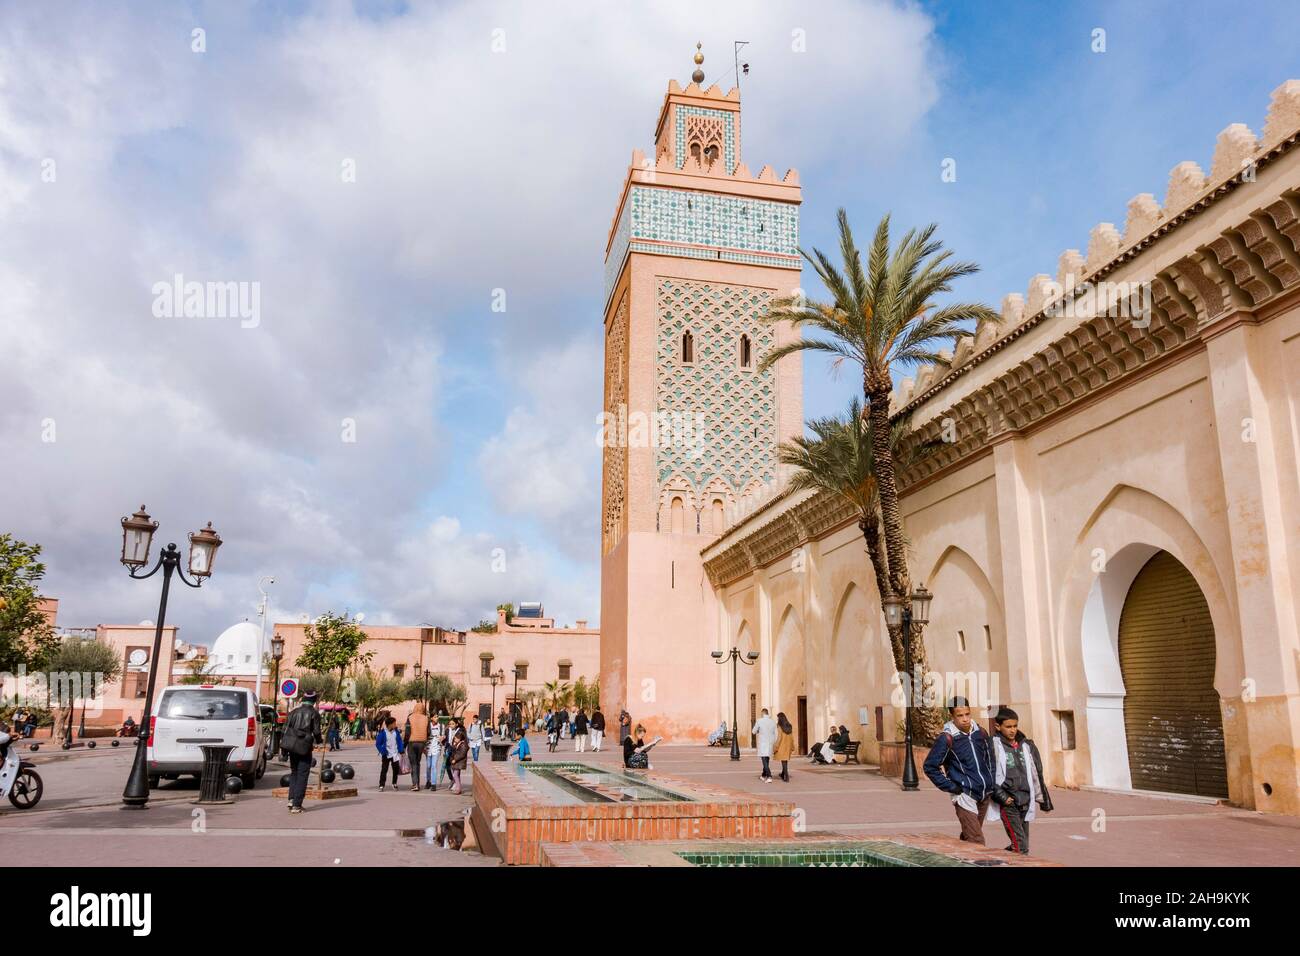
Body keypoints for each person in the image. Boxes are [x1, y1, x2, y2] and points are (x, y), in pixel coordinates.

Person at [923, 697, 996, 845]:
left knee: (969, 836)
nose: (965, 719)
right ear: (952, 716)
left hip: (984, 793)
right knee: (976, 840)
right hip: (964, 796)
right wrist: (953, 787)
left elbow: (990, 758)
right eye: (960, 715)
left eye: (967, 714)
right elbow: (930, 766)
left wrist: (991, 781)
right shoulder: (947, 738)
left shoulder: (980, 732)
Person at [990, 708, 1053, 854]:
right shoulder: (993, 745)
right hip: (1008, 802)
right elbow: (988, 774)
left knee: (1021, 845)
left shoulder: (1026, 745)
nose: (1013, 730)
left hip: (1025, 800)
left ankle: (998, 858)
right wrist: (1003, 797)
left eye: (1015, 726)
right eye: (1008, 726)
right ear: (998, 726)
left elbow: (1037, 773)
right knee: (1021, 846)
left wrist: (1043, 800)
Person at [281, 690, 322, 814]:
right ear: (314, 701)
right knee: (303, 775)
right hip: (304, 747)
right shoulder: (314, 714)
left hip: (292, 746)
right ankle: (297, 805)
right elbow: (316, 732)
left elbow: (284, 729)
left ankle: (291, 799)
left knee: (294, 772)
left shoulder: (293, 712)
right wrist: (319, 740)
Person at [404, 702, 431, 792]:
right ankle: (417, 783)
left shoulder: (410, 717)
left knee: (413, 763)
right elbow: (429, 732)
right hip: (422, 743)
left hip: (412, 742)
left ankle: (415, 784)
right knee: (417, 763)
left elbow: (407, 732)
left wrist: (404, 745)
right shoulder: (426, 718)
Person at [375, 715, 405, 792]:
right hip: (386, 754)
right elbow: (378, 743)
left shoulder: (396, 732)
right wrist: (382, 751)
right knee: (384, 770)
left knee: (395, 770)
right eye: (394, 723)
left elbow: (399, 741)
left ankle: (394, 783)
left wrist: (401, 750)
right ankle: (381, 785)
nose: (395, 725)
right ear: (390, 724)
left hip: (394, 754)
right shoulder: (383, 733)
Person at [752, 708, 778, 783]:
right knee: (767, 759)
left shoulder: (759, 721)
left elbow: (753, 731)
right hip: (770, 743)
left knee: (764, 759)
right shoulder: (773, 722)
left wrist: (758, 731)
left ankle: (769, 776)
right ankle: (763, 775)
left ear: (762, 713)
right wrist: (774, 741)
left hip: (763, 743)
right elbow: (776, 734)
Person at [773, 712, 795, 783]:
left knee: (783, 761)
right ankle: (783, 774)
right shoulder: (789, 726)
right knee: (785, 761)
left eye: (778, 718)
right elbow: (792, 738)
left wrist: (775, 747)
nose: (777, 719)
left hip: (782, 746)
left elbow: (779, 738)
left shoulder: (780, 727)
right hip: (787, 746)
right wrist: (792, 746)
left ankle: (786, 776)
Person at [449, 725, 469, 795]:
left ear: (460, 738)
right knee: (456, 775)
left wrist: (455, 759)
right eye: (455, 738)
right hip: (456, 762)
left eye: (457, 738)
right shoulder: (458, 743)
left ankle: (458, 788)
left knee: (455, 775)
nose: (455, 739)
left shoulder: (463, 745)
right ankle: (457, 787)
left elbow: (462, 754)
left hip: (459, 762)